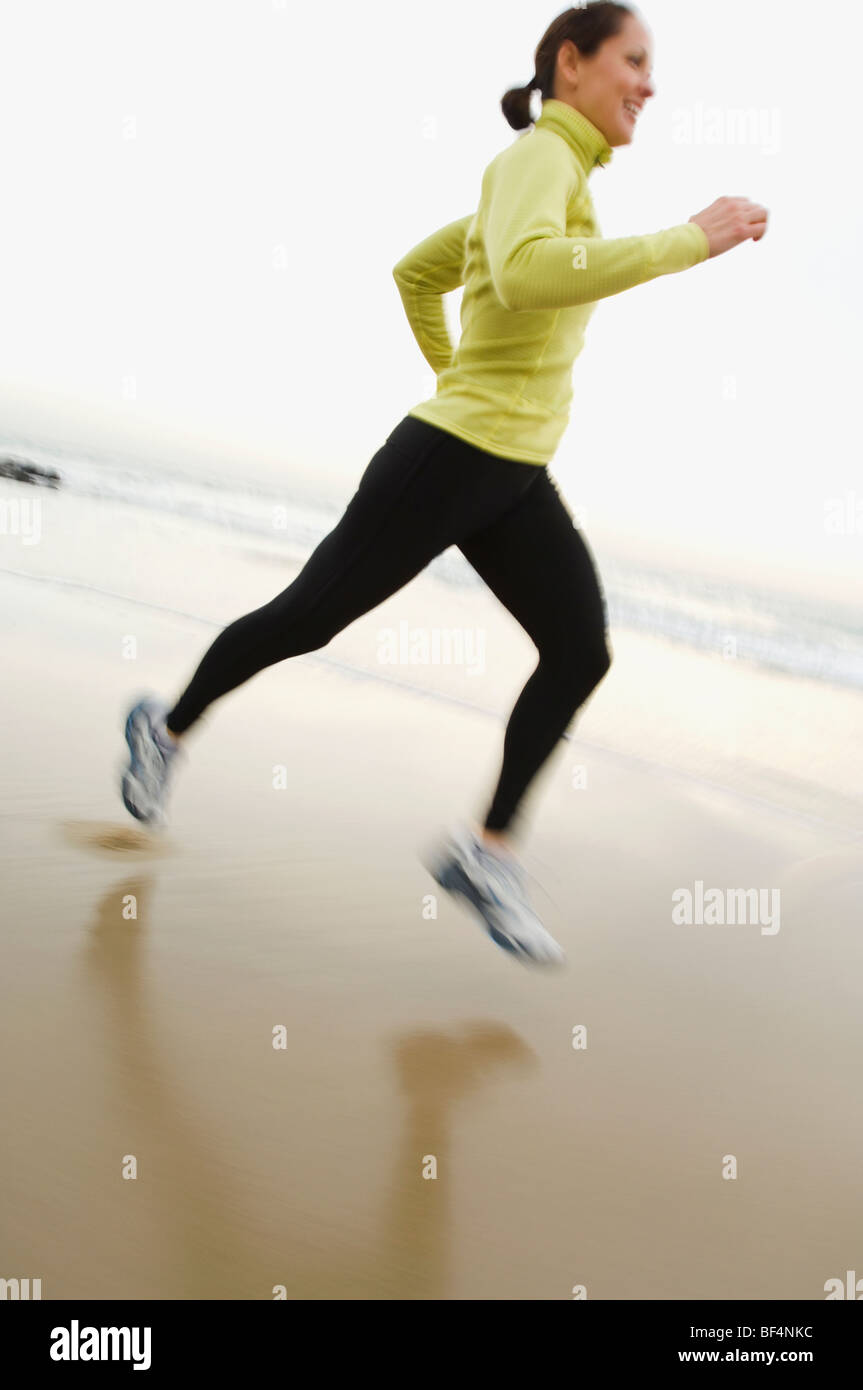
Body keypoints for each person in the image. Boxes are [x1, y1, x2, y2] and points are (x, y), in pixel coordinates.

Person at [121, 1, 768, 967]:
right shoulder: (533, 162)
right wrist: (684, 241)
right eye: (633, 60)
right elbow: (518, 273)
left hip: (509, 472)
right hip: (455, 457)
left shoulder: (547, 184)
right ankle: (163, 730)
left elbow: (420, 274)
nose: (648, 84)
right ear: (571, 63)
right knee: (308, 618)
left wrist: (457, 371)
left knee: (578, 649)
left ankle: (485, 850)